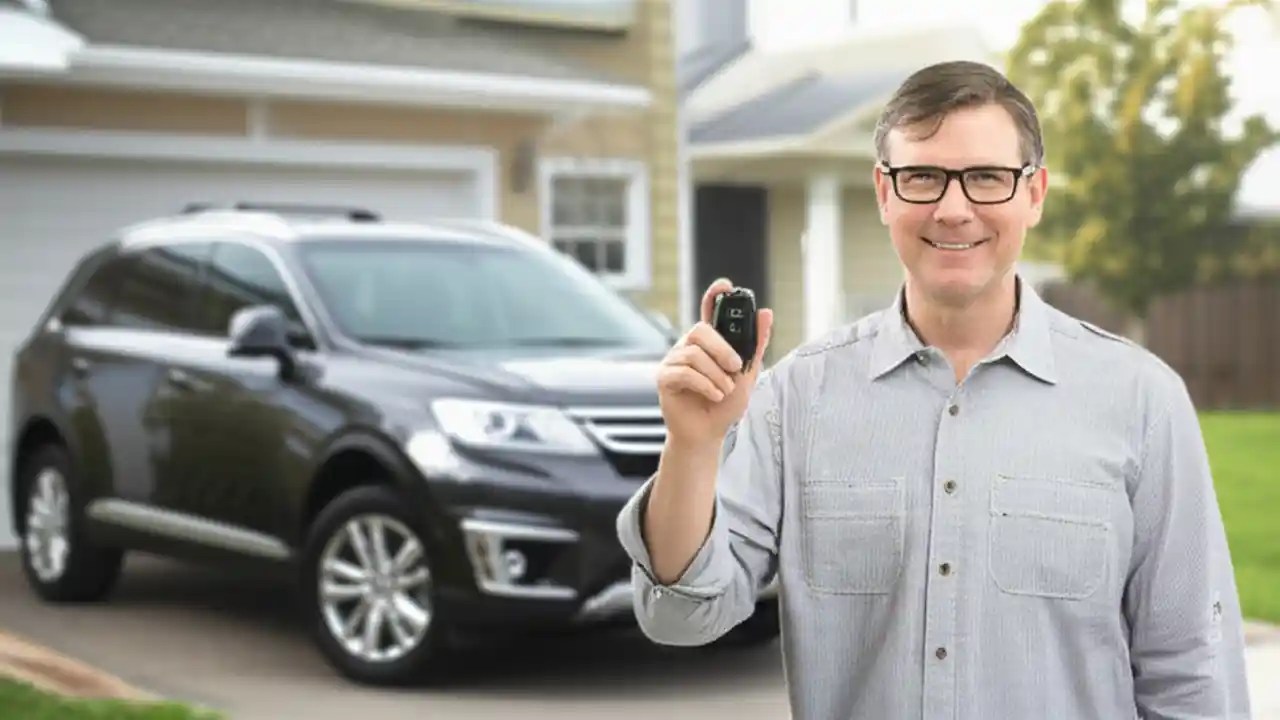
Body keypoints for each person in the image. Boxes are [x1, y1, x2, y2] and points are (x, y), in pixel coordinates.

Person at [615, 60, 1252, 719]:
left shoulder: (1143, 402)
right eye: (922, 177)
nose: (953, 209)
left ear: (1034, 194)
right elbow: (678, 617)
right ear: (884, 193)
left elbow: (1193, 675)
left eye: (986, 178)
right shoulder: (792, 401)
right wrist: (691, 445)